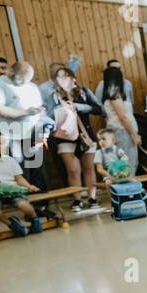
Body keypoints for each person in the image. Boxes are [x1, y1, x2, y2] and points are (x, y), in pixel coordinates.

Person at [0, 61, 49, 189]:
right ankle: (27, 202)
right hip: (11, 134)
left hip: (32, 133)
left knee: (38, 169)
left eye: (28, 80)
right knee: (20, 171)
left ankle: (41, 204)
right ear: (11, 72)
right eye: (22, 79)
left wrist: (43, 127)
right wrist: (25, 112)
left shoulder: (31, 86)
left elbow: (40, 108)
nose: (25, 82)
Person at [0, 134, 43, 237]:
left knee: (23, 204)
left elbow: (19, 178)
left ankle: (35, 219)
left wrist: (29, 186)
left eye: (4, 143)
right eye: (0, 143)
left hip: (13, 190)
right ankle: (12, 224)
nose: (4, 146)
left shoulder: (9, 159)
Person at [49, 75, 98, 210]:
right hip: (65, 135)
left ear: (73, 78)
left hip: (85, 135)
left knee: (89, 168)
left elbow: (98, 109)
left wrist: (78, 106)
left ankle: (92, 197)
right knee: (72, 170)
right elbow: (48, 114)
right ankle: (77, 199)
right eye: (59, 77)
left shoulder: (84, 92)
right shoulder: (53, 96)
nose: (62, 79)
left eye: (65, 76)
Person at [98, 65, 140, 170]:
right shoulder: (114, 96)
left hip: (118, 130)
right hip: (123, 131)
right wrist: (134, 134)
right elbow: (123, 117)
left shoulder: (110, 95)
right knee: (128, 163)